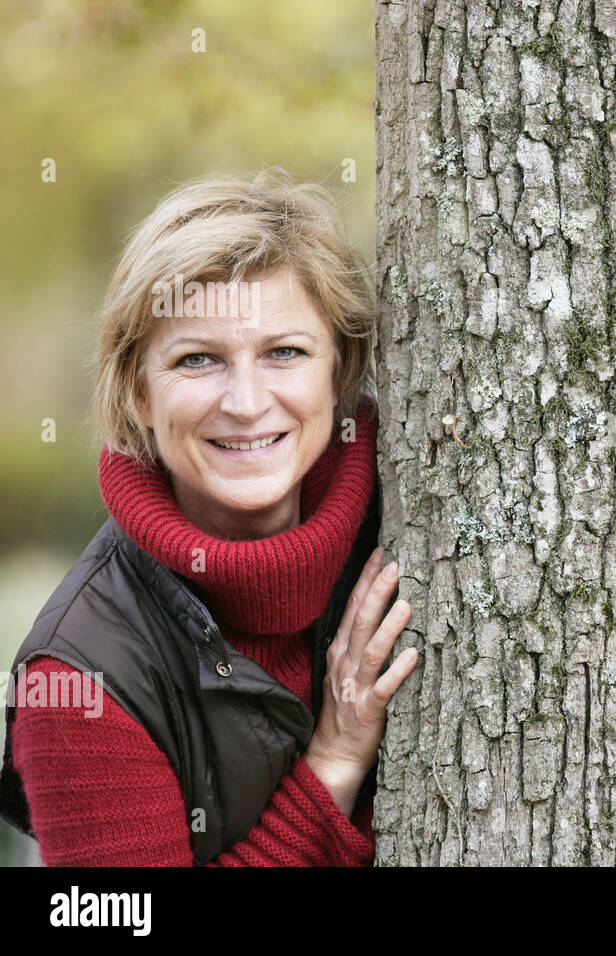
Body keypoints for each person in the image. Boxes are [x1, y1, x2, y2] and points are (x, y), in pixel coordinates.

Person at [0, 170, 419, 865]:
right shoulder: (80, 680)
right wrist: (336, 760)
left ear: (340, 369)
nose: (247, 402)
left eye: (285, 352)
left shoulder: (409, 510)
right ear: (137, 393)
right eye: (198, 360)